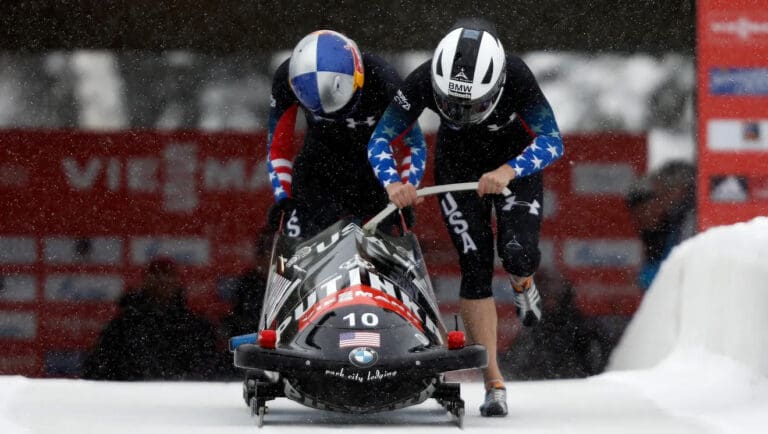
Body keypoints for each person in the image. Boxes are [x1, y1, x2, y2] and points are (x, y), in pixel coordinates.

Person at [366, 19, 564, 416]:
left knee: (516, 253)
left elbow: (552, 140)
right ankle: (494, 382)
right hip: (458, 166)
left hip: (512, 165)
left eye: (471, 104)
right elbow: (380, 139)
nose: (460, 112)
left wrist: (508, 171)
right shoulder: (422, 79)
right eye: (451, 104)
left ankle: (523, 282)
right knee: (475, 266)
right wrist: (394, 184)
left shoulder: (518, 75)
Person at [266, 29, 426, 237]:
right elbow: (279, 147)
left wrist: (404, 190)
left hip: (373, 180)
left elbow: (414, 144)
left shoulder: (383, 79)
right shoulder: (285, 78)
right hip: (317, 177)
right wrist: (284, 199)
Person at [81, 257, 220, 381]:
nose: (162, 281)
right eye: (156, 275)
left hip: (180, 402)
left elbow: (208, 373)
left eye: (168, 275)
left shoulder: (196, 328)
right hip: (130, 402)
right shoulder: (123, 326)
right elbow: (98, 371)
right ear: (145, 280)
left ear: (179, 282)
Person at [626, 160, 696, 291]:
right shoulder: (672, 224)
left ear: (680, 190)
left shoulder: (689, 222)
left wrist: (643, 278)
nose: (661, 200)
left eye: (664, 192)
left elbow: (675, 272)